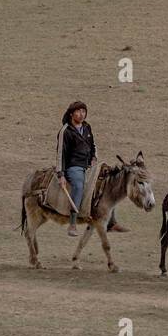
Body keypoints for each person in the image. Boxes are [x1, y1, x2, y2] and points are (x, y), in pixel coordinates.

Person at [58, 101, 125, 237]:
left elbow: (92, 145)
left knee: (109, 182)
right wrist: (61, 174)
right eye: (78, 111)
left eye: (84, 111)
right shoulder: (65, 131)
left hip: (89, 165)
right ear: (71, 114)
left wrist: (94, 157)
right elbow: (60, 154)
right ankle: (73, 223)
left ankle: (112, 223)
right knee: (78, 185)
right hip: (74, 166)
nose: (81, 114)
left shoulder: (87, 127)